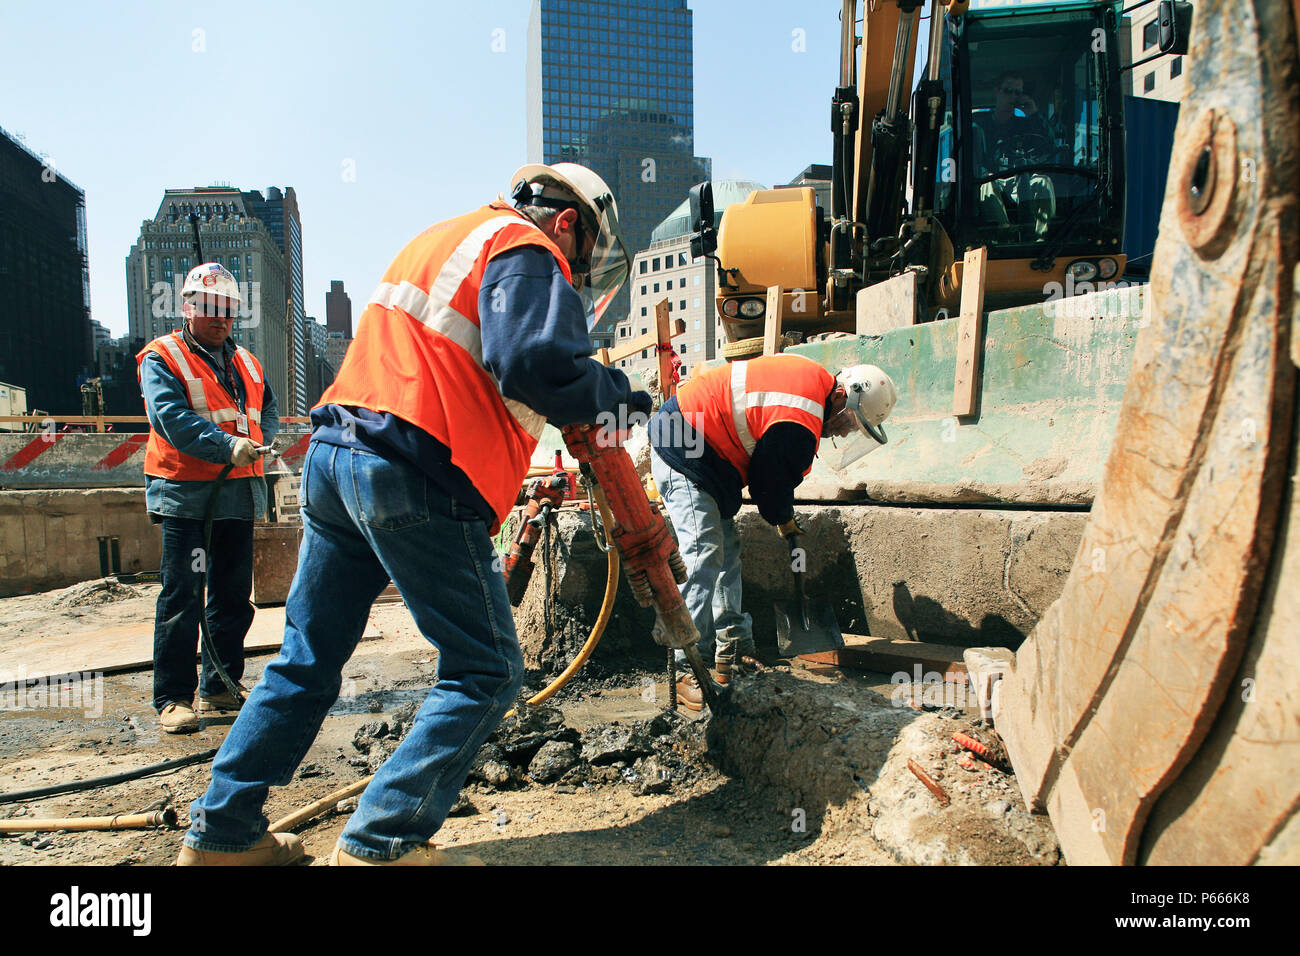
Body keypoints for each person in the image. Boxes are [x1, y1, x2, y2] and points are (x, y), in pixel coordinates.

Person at [177, 162, 651, 866]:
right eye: (585, 257)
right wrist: (623, 395)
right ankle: (380, 843)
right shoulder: (529, 249)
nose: (578, 274)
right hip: (416, 469)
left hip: (337, 460)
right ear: (569, 223)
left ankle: (223, 836)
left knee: (305, 660)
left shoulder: (443, 239)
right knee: (485, 671)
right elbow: (535, 365)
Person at [648, 354, 897, 710]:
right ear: (842, 396)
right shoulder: (802, 417)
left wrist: (783, 517)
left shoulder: (812, 384)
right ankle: (686, 667)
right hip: (684, 444)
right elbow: (769, 483)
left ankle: (733, 651)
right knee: (704, 552)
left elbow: (770, 464)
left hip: (707, 450)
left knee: (725, 553)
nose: (843, 432)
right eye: (850, 422)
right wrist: (781, 516)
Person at [136, 263, 278, 735]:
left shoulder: (247, 363)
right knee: (182, 594)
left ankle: (220, 684)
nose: (220, 319)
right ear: (187, 307)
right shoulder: (164, 357)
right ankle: (174, 697)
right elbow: (170, 417)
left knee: (232, 595)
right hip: (186, 497)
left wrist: (258, 440)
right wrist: (225, 446)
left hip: (237, 494)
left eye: (228, 311)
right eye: (210, 309)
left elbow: (267, 409)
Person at [972, 69, 1057, 235]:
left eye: (1018, 92)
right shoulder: (978, 123)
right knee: (987, 184)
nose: (1012, 97)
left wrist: (1033, 114)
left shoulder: (1025, 124)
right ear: (997, 92)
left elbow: (1050, 147)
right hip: (991, 180)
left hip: (1020, 181)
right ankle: (1005, 234)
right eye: (1008, 91)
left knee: (1043, 182)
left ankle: (1039, 239)